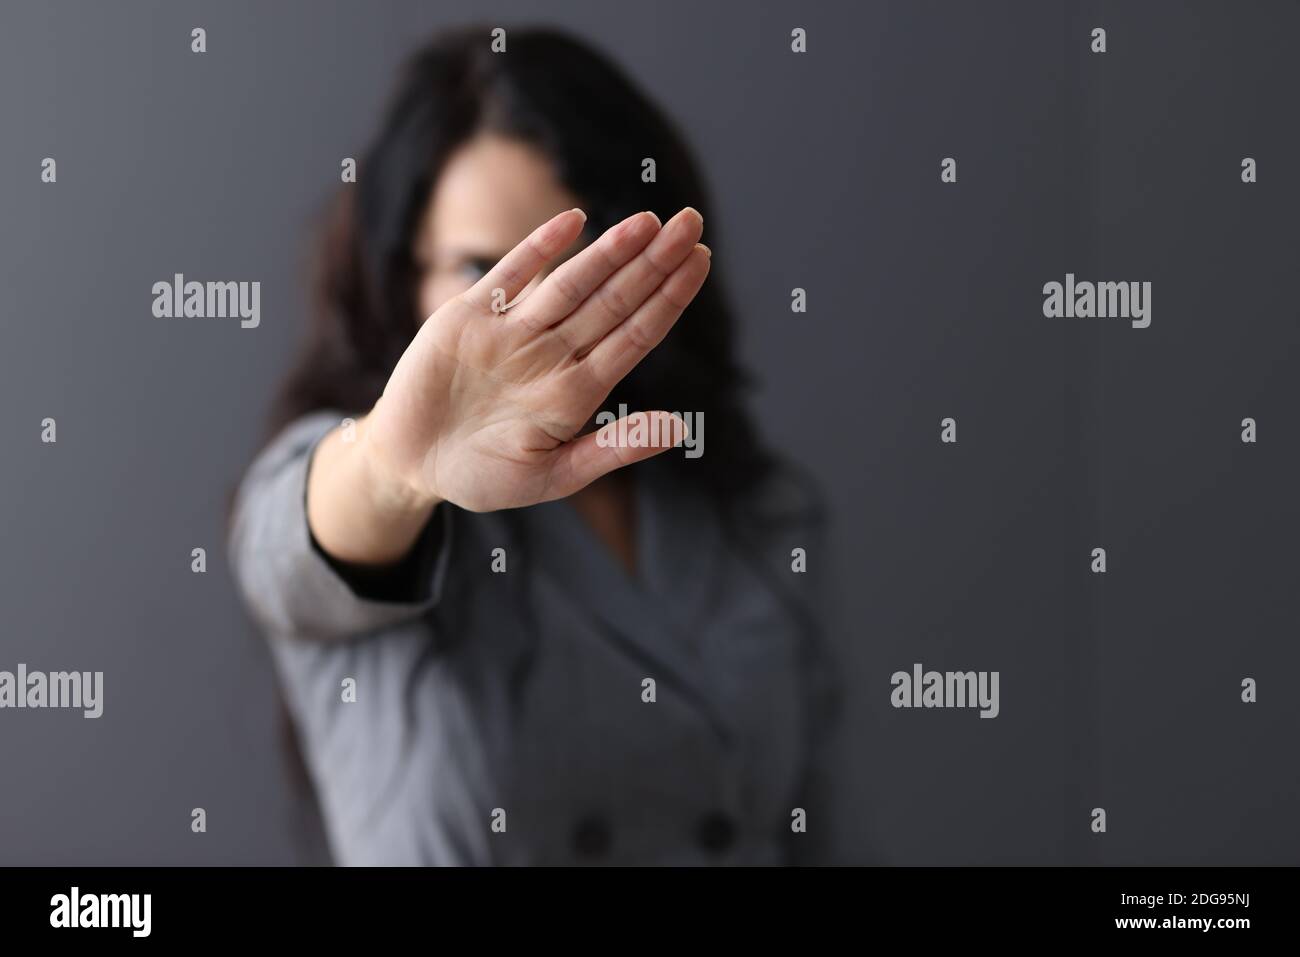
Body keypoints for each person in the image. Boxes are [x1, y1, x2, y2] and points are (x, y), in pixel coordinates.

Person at [228, 25, 843, 865]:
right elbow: (287, 555)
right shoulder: (371, 485)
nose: (537, 319)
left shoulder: (752, 506)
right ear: (401, 273)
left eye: (580, 269)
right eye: (485, 273)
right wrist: (396, 466)